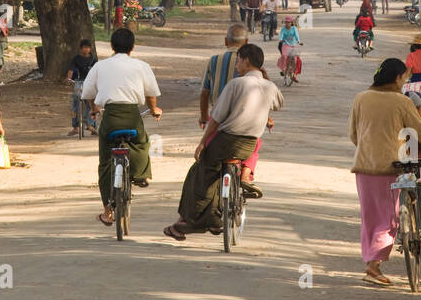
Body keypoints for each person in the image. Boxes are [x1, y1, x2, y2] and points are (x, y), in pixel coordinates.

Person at [164, 43, 282, 240]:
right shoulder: (270, 87)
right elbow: (277, 105)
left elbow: (216, 118)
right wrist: (266, 81)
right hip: (249, 145)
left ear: (246, 61)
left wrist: (202, 143)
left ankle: (195, 220)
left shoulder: (236, 84)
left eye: (238, 62)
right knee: (216, 168)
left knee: (200, 172)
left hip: (227, 140)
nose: (237, 66)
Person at [350, 58, 421, 285]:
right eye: (404, 77)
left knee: (370, 216)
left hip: (364, 167)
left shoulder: (361, 98)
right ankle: (373, 266)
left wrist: (369, 148)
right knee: (389, 218)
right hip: (390, 168)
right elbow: (420, 133)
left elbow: (353, 134)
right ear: (397, 77)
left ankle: (370, 262)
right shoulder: (401, 102)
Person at [82, 28, 163, 226]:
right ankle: (140, 174)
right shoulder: (141, 66)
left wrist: (94, 109)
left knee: (105, 163)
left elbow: (88, 92)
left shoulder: (100, 66)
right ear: (132, 47)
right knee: (142, 142)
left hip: (110, 117)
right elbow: (151, 94)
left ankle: (107, 211)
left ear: (111, 46)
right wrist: (154, 109)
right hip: (132, 116)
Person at [66, 39, 98, 137]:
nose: (86, 49)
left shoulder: (93, 59)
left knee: (91, 102)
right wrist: (68, 79)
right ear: (81, 48)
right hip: (79, 81)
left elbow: (97, 71)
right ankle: (75, 127)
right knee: (75, 100)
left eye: (88, 47)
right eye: (84, 47)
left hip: (90, 82)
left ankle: (91, 125)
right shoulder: (76, 58)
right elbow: (71, 70)